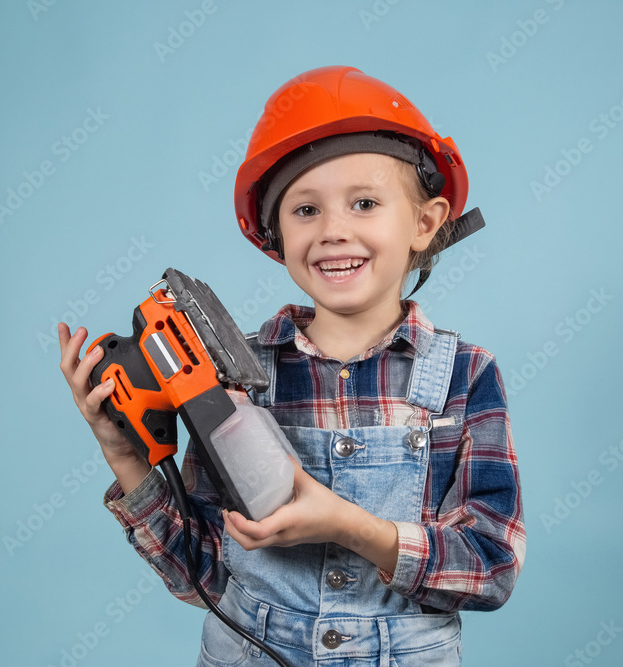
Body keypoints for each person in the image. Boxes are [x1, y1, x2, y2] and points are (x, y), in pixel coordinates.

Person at [58, 65, 525, 666]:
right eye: (305, 210)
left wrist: (351, 527)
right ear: (272, 234)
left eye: (364, 203)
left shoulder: (466, 377)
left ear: (425, 223)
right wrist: (125, 454)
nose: (333, 231)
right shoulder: (228, 375)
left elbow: (491, 568)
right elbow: (199, 576)